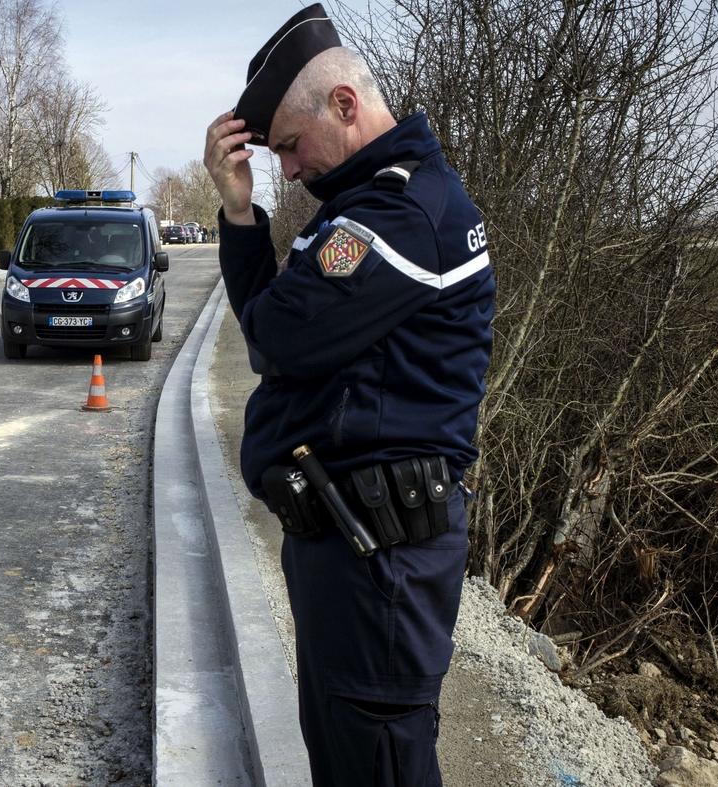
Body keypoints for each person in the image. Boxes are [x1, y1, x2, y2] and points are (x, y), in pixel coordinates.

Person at [204, 4, 495, 785]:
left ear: (343, 104)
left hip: (380, 562)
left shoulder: (401, 214)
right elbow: (273, 327)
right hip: (352, 546)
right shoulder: (360, 207)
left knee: (377, 760)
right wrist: (239, 212)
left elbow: (273, 337)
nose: (288, 169)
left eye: (290, 146)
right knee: (345, 753)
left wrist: (270, 279)